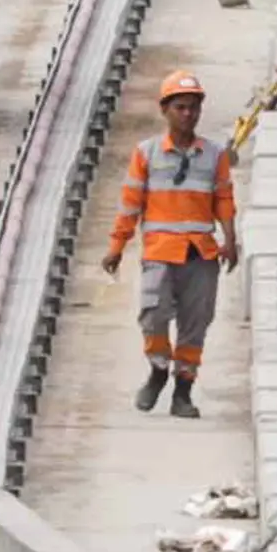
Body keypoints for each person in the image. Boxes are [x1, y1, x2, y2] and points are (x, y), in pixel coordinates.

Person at [102, 69, 240, 418]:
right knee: (153, 316)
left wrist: (231, 238)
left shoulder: (214, 154)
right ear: (165, 110)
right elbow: (131, 203)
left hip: (201, 254)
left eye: (193, 108)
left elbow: (224, 198)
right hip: (160, 252)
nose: (188, 114)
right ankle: (159, 369)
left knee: (196, 324)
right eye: (180, 107)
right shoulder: (146, 154)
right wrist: (117, 245)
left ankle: (183, 391)